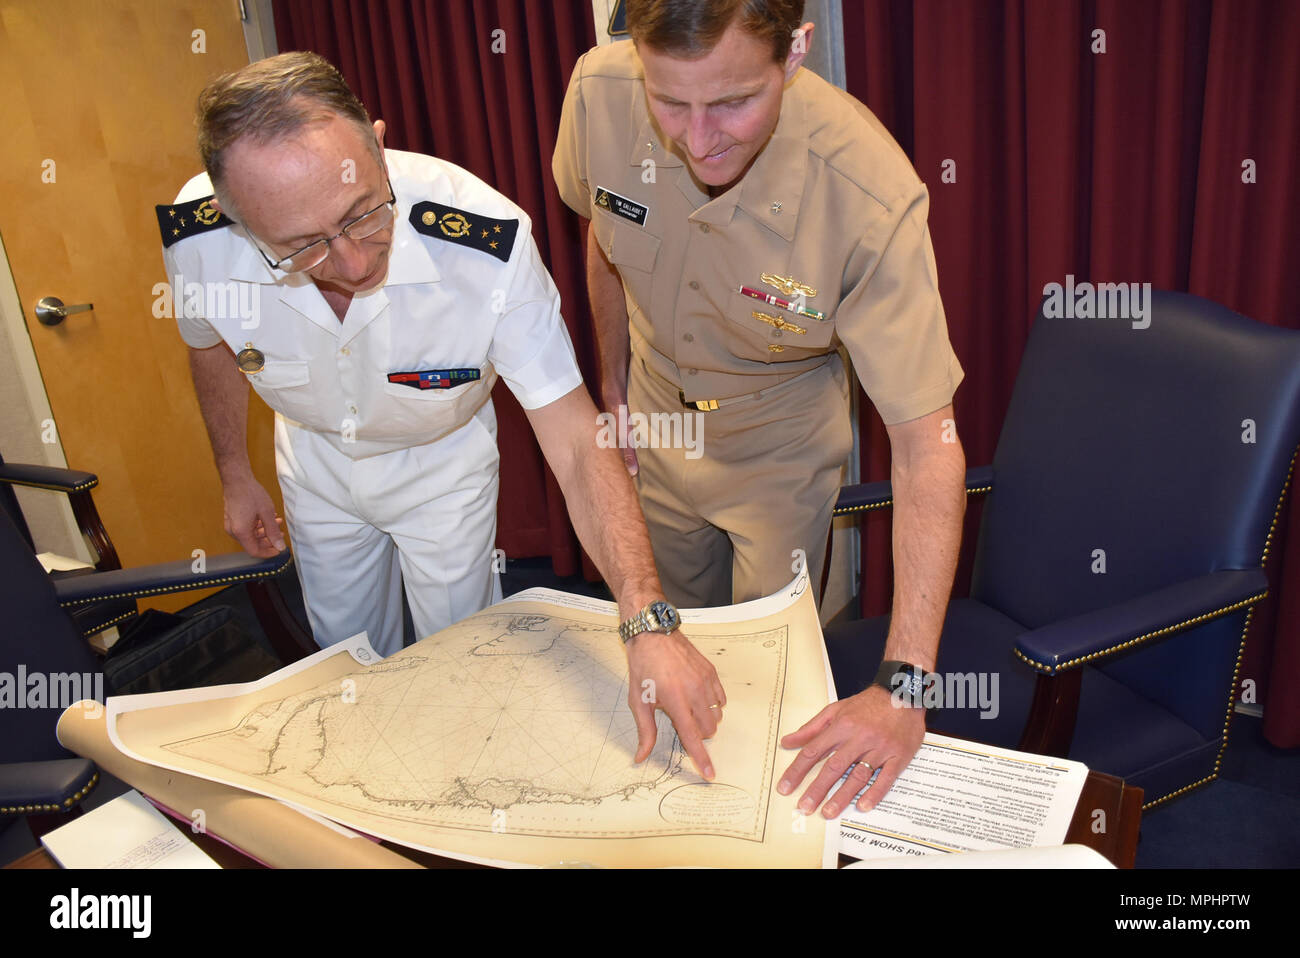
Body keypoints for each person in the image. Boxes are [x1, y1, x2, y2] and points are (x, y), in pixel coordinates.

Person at [160, 52, 724, 779]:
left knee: (463, 653)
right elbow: (208, 344)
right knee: (344, 660)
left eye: (363, 211)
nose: (354, 261)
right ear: (240, 222)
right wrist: (235, 475)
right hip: (318, 457)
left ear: (379, 142)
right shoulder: (199, 238)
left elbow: (578, 442)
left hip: (440, 461)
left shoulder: (484, 241)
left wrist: (645, 614)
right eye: (300, 246)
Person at [552, 0, 967, 816]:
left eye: (733, 102)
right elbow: (602, 237)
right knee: (669, 657)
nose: (698, 138)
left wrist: (905, 685)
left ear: (796, 53)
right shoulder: (598, 93)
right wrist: (610, 385)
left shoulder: (868, 192)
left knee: (767, 685)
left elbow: (929, 445)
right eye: (670, 102)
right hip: (656, 419)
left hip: (777, 441)